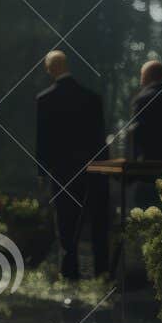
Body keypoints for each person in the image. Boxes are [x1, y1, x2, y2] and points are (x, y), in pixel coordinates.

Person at [35, 50, 109, 281]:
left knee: (66, 224)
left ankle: (70, 274)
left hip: (62, 171)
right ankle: (102, 273)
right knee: (97, 222)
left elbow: (43, 140)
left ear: (50, 69)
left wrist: (42, 172)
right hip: (92, 170)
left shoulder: (45, 99)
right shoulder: (92, 98)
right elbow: (100, 137)